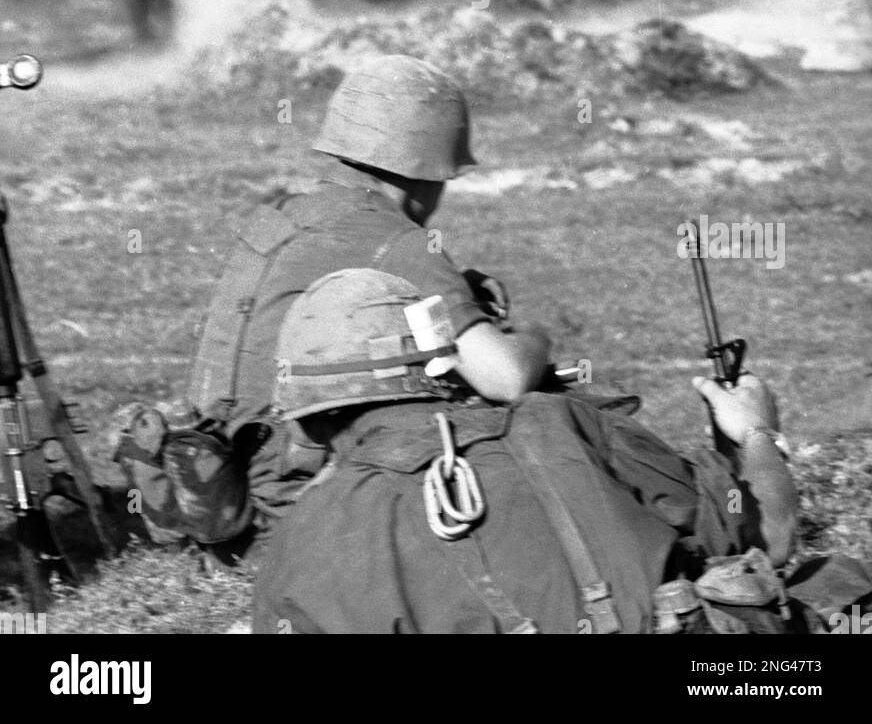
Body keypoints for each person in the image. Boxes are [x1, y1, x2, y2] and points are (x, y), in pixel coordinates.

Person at [252, 267, 859, 636]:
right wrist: (753, 435)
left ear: (309, 416)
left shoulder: (300, 543)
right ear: (440, 364)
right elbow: (766, 540)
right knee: (842, 584)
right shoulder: (561, 423)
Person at [116, 56, 550, 544]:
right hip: (292, 509)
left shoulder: (277, 219)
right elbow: (506, 378)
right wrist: (533, 336)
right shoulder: (399, 242)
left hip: (216, 484)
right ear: (432, 168)